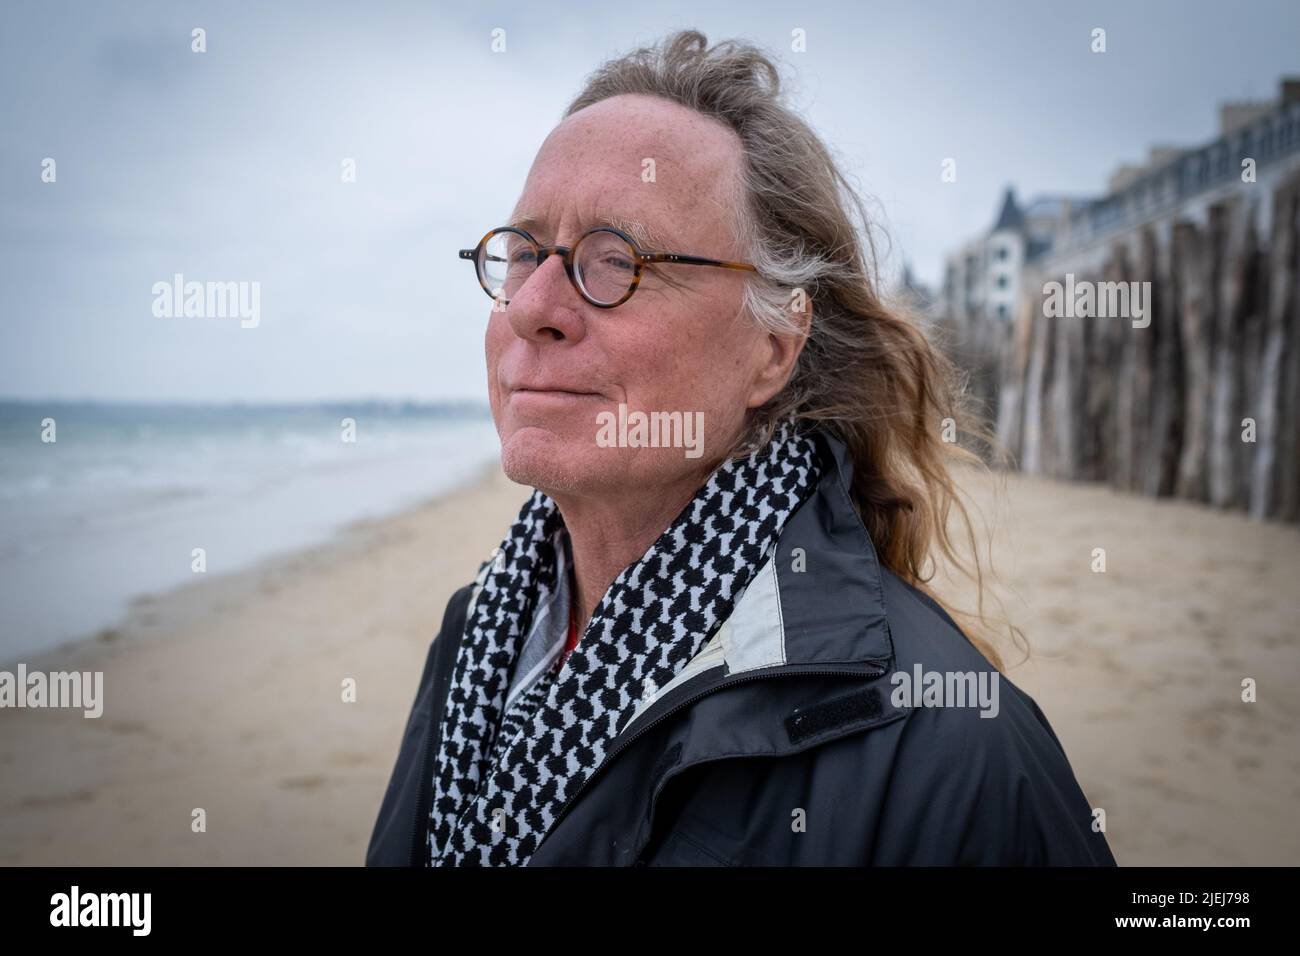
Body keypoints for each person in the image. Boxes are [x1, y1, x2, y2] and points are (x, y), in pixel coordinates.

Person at [366, 30, 1116, 867]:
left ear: (774, 344)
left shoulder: (948, 749)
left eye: (616, 261)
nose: (532, 305)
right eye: (525, 253)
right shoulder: (477, 641)